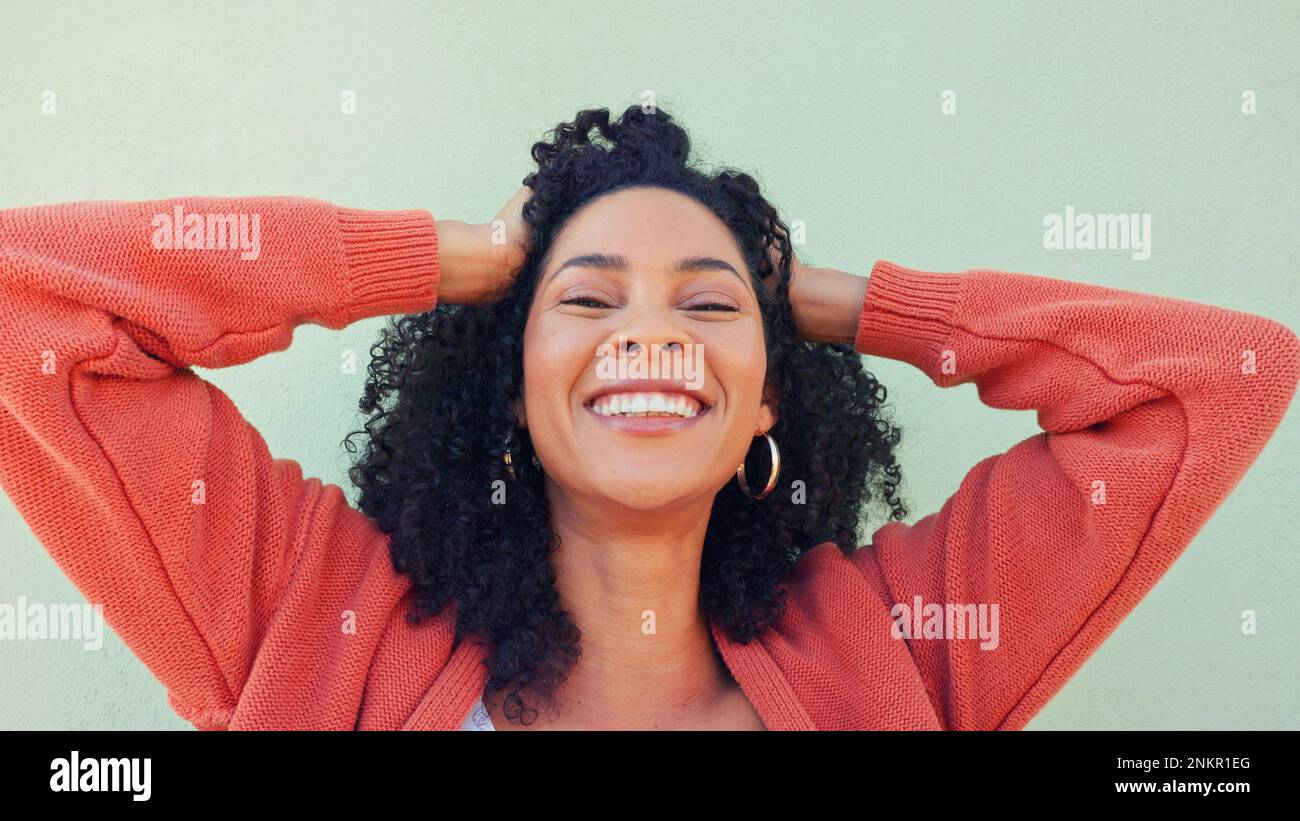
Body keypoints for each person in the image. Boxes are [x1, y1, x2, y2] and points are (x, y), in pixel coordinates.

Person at [0, 105, 1295, 731]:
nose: (654, 332)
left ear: (768, 406)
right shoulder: (312, 623)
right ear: (509, 391)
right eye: (587, 296)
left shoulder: (894, 659)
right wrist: (446, 259)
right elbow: (28, 305)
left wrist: (835, 302)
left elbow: (1224, 377)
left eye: (709, 304)